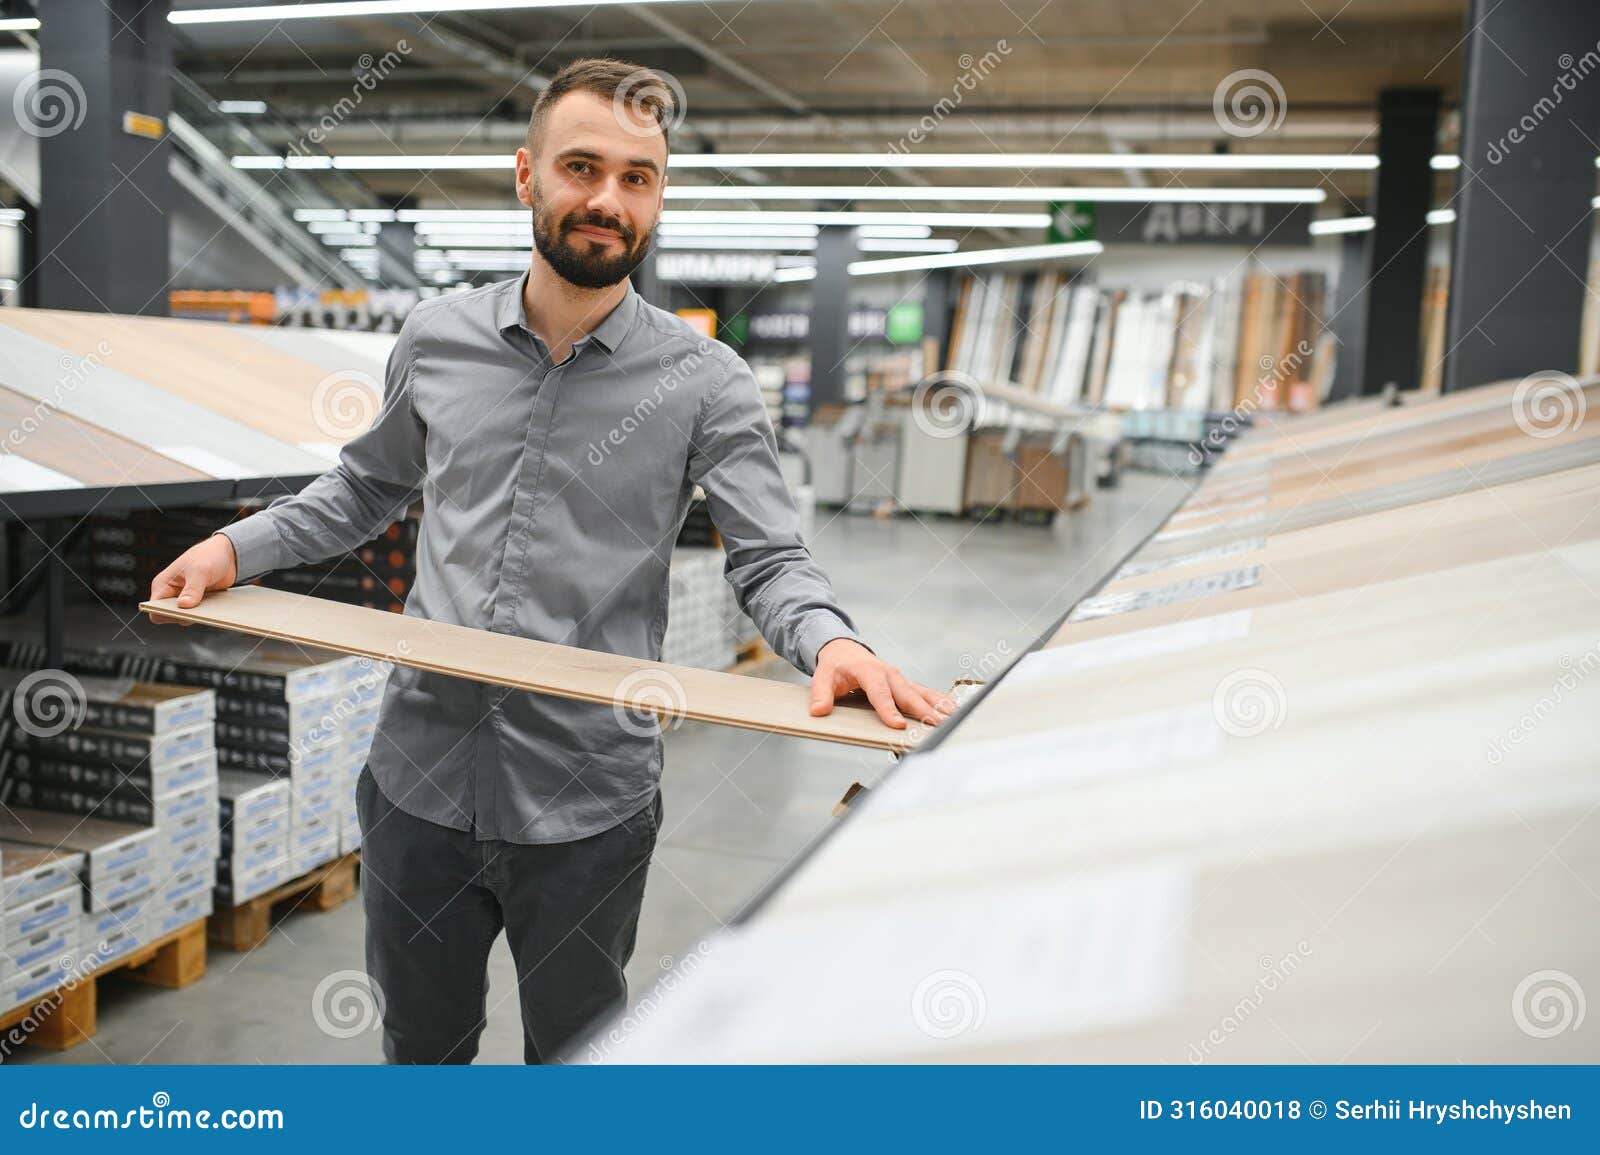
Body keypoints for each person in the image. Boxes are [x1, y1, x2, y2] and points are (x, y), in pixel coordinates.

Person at [149, 57, 954, 1065]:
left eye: (637, 178)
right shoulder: (436, 338)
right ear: (526, 176)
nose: (607, 200)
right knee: (421, 1052)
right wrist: (234, 548)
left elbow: (769, 556)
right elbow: (366, 488)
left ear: (658, 199)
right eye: (581, 167)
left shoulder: (707, 383)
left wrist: (831, 642)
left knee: (575, 1059)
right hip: (417, 785)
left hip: (586, 805)